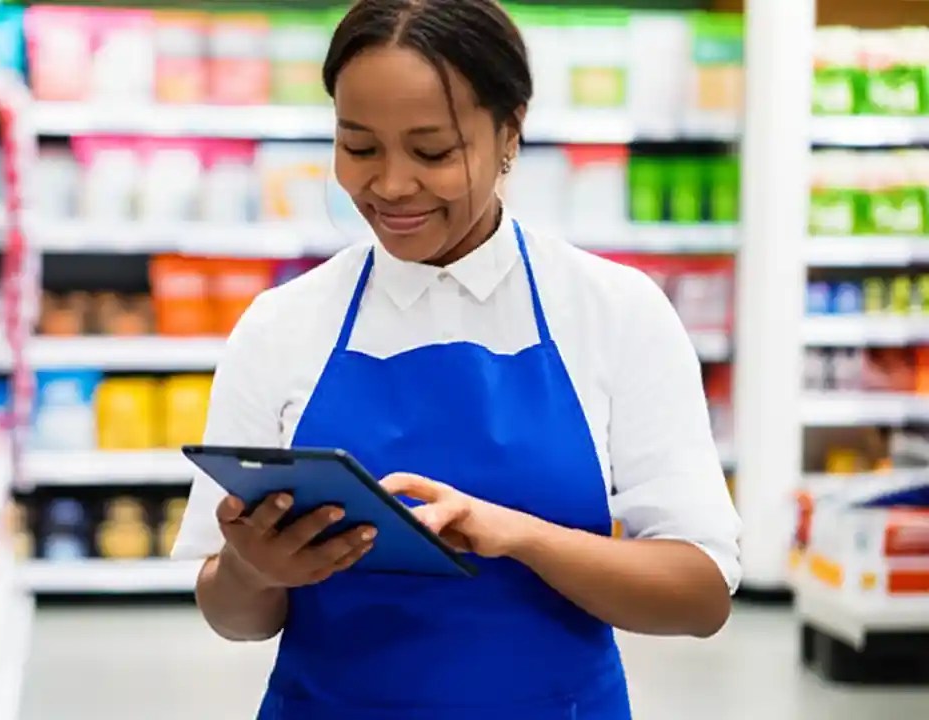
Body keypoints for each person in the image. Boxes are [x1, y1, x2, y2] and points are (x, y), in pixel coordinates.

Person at [170, 0, 742, 717]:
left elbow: (700, 596)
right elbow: (232, 616)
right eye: (359, 146)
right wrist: (255, 568)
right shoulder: (282, 323)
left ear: (510, 130)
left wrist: (521, 536)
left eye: (433, 151)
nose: (391, 185)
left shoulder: (615, 310)